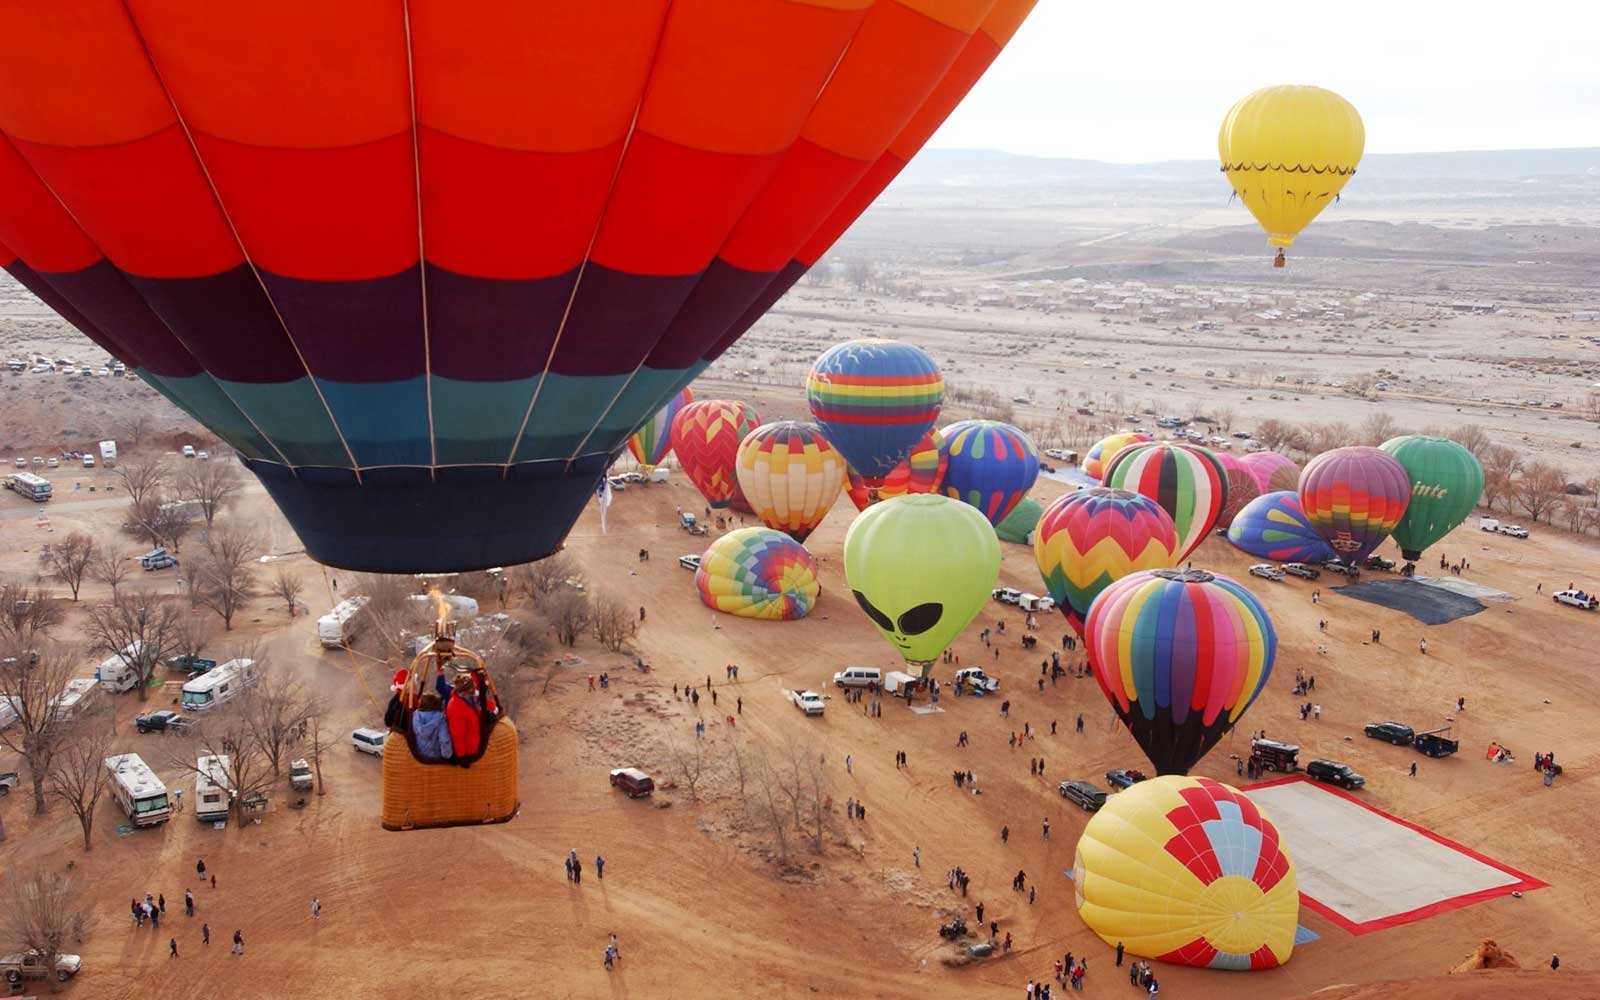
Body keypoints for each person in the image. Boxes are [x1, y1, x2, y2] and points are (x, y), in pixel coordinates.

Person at [445, 674, 483, 757]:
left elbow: (473, 713)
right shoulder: (456, 707)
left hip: (474, 744)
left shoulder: (467, 699)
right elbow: (457, 734)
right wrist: (461, 755)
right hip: (468, 751)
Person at [411, 691, 455, 760]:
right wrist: (447, 756)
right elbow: (444, 739)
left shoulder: (415, 717)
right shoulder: (440, 718)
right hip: (436, 756)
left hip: (418, 756)